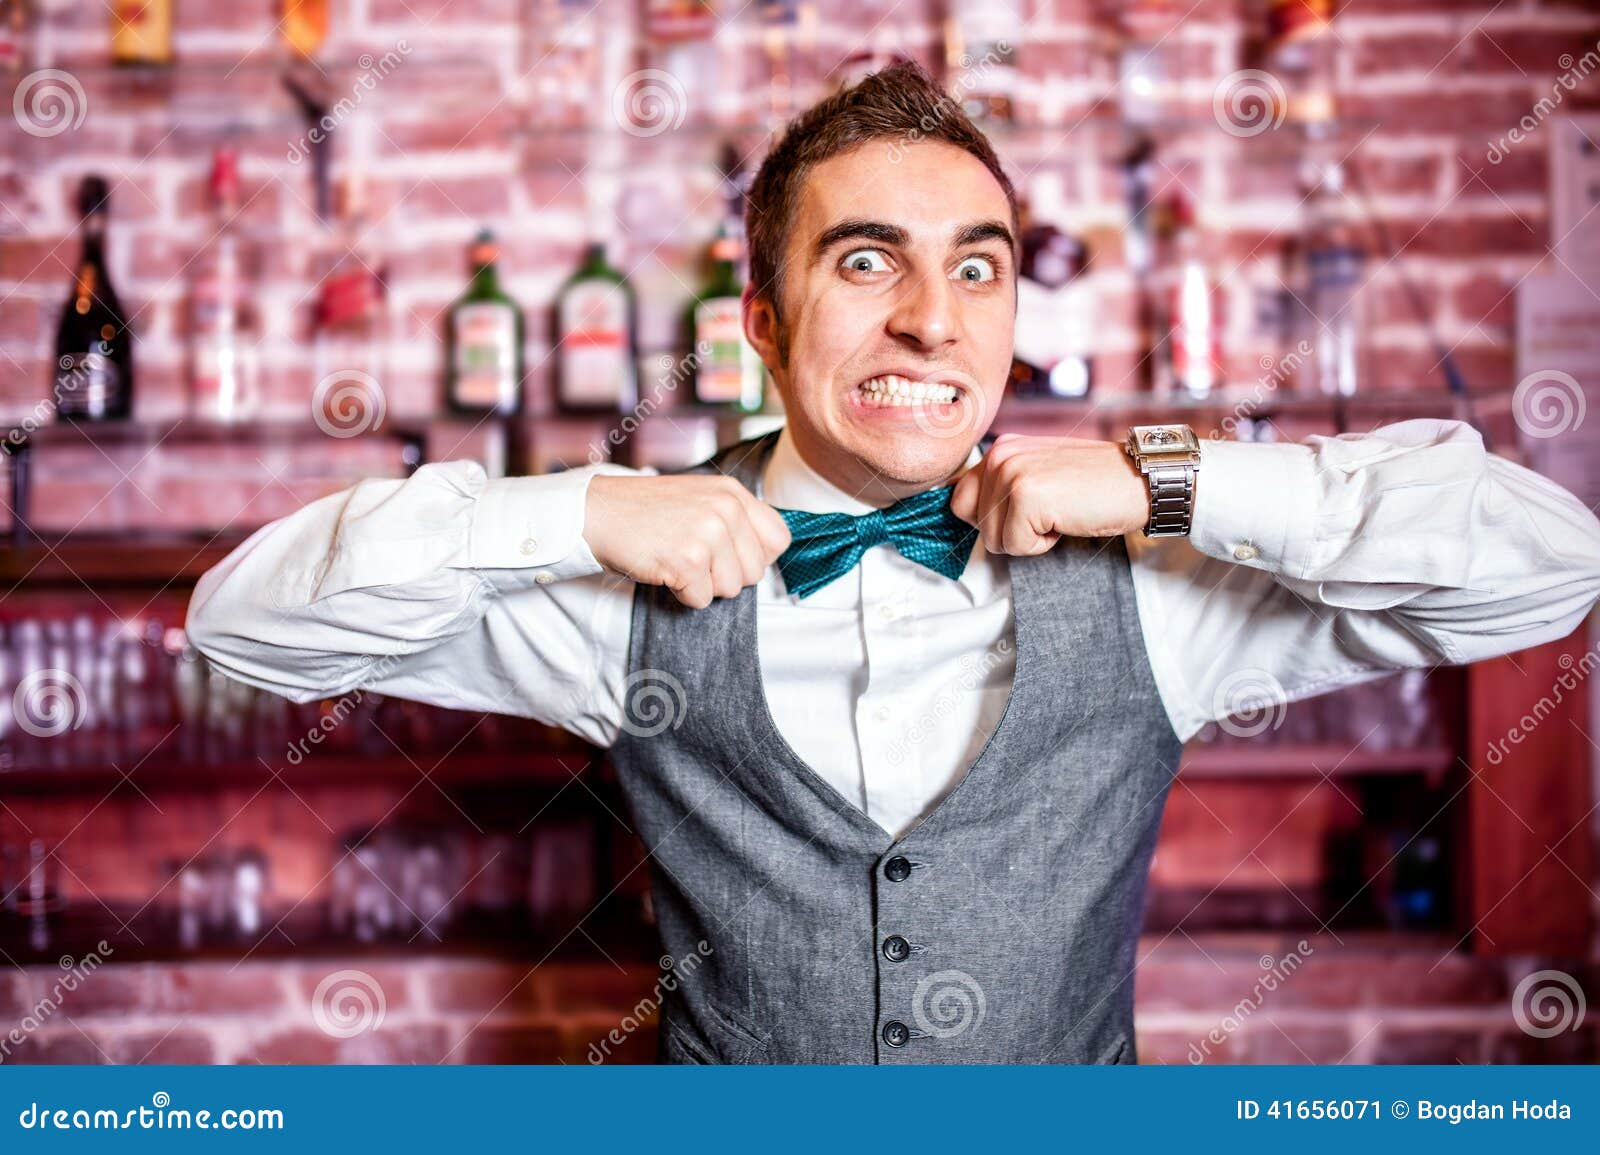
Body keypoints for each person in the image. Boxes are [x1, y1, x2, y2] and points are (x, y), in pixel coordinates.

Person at [186, 62, 1600, 1064]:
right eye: (868, 263)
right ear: (760, 319)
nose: (934, 321)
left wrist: (1171, 481)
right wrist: (571, 514)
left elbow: (1550, 566)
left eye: (976, 268)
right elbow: (243, 623)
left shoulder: (1161, 579)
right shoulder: (627, 581)